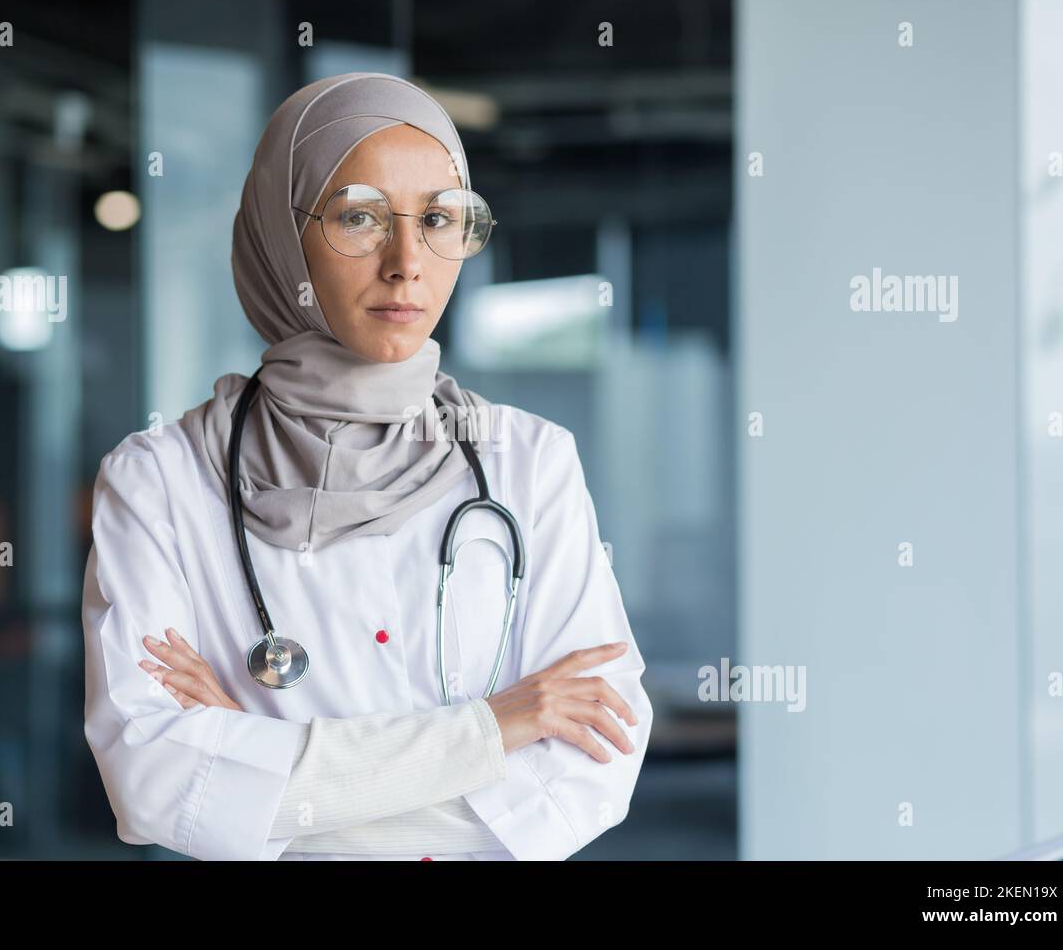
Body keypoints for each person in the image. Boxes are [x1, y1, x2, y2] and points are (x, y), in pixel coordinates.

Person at [81, 71, 653, 861]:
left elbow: (593, 771)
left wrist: (256, 762)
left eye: (441, 219)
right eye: (359, 216)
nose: (407, 262)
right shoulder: (161, 481)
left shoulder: (528, 461)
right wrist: (496, 728)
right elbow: (155, 786)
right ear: (283, 236)